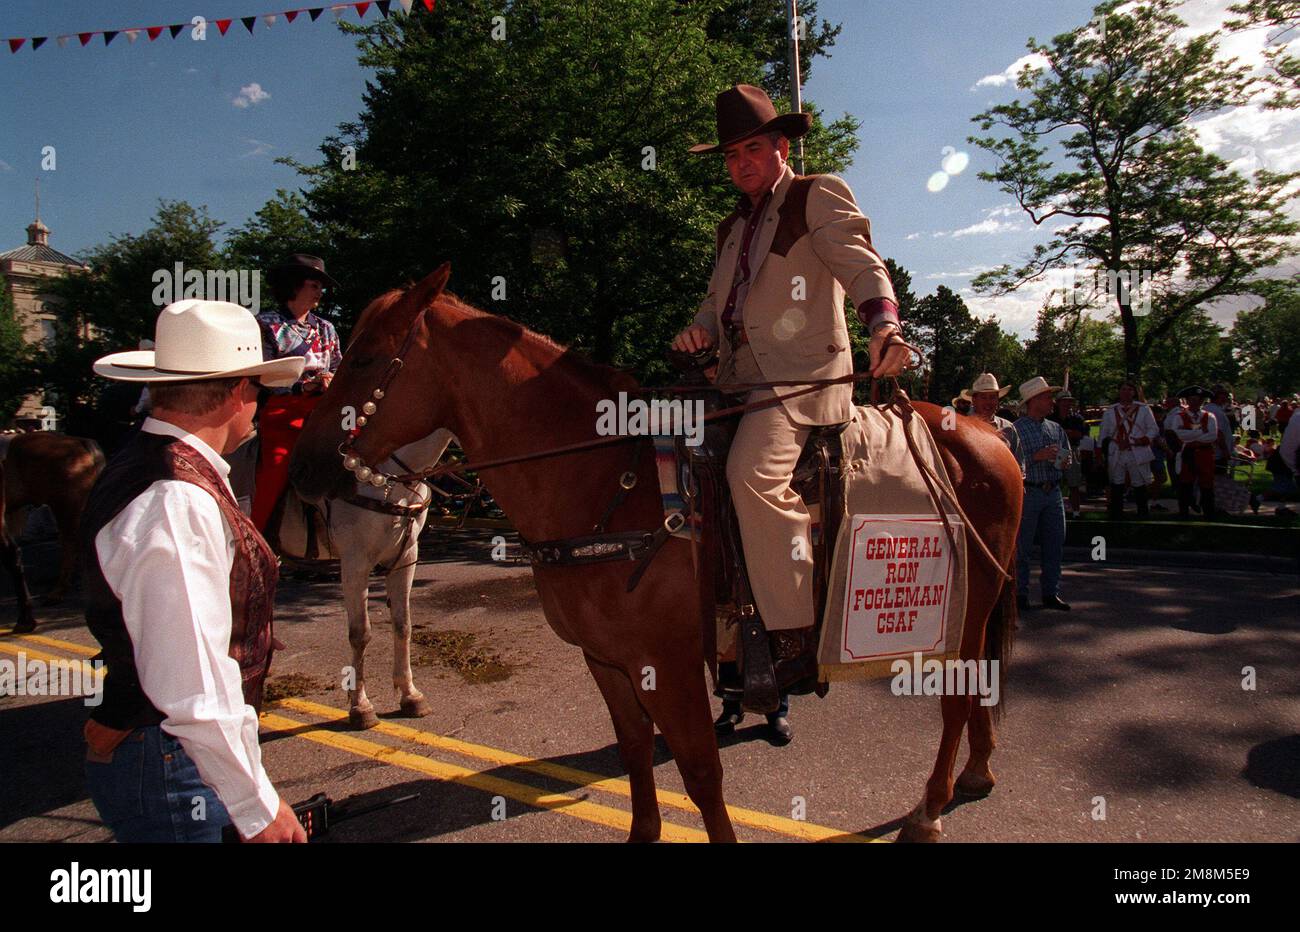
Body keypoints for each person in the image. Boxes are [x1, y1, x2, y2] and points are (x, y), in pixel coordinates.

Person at [671, 84, 909, 738]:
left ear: (781, 146)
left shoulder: (815, 194)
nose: (742, 163)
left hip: (803, 378)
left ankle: (791, 639)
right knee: (668, 470)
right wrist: (697, 332)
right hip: (738, 382)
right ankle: (723, 660)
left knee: (751, 474)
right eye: (731, 155)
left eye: (753, 148)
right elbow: (714, 307)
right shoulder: (730, 228)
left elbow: (861, 262)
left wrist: (883, 324)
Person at [81, 299, 307, 843]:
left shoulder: (161, 466)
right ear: (236, 392)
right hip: (173, 766)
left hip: (170, 758)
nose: (257, 405)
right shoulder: (175, 497)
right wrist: (258, 807)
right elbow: (193, 685)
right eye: (258, 390)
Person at [249, 254, 343, 532]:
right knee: (275, 469)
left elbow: (338, 366)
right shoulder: (265, 324)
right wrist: (302, 386)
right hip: (282, 410)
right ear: (295, 285)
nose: (320, 292)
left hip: (324, 412)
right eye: (314, 284)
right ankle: (254, 537)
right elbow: (260, 373)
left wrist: (330, 379)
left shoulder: (326, 328)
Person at [1009, 377, 1072, 612]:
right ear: (1033, 401)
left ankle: (1051, 592)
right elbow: (1010, 463)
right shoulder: (1015, 429)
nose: (1051, 402)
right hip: (1030, 491)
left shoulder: (1055, 428)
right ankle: (1020, 593)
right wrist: (1037, 456)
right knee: (1022, 547)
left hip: (1052, 490)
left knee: (1054, 544)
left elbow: (1067, 457)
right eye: (1047, 397)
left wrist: (1064, 461)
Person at [1098, 380, 1160, 519]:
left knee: (1139, 483)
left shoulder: (1143, 409)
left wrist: (1141, 440)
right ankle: (1117, 513)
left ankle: (1143, 513)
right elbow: (1104, 433)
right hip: (1117, 450)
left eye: (1129, 389)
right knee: (1116, 482)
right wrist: (1101, 452)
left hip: (1136, 450)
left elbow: (1153, 429)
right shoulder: (1110, 411)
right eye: (1123, 389)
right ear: (1119, 392)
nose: (1126, 392)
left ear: (1134, 392)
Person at [1166, 385, 1218, 519]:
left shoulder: (1210, 416)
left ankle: (1209, 513)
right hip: (1187, 453)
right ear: (1187, 401)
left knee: (1207, 484)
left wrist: (1192, 436)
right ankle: (1183, 512)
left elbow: (1212, 435)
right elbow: (1178, 434)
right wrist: (1201, 432)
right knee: (1185, 483)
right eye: (1192, 399)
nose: (1195, 402)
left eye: (1198, 399)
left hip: (1205, 454)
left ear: (1202, 401)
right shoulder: (1179, 416)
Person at [1049, 391, 1087, 518]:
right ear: (1058, 403)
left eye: (1069, 401)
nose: (1067, 403)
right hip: (1054, 451)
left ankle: (1076, 512)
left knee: (1074, 483)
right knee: (1053, 482)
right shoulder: (1051, 418)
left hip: (1072, 450)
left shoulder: (1077, 418)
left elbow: (1078, 434)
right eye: (1064, 401)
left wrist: (1064, 433)